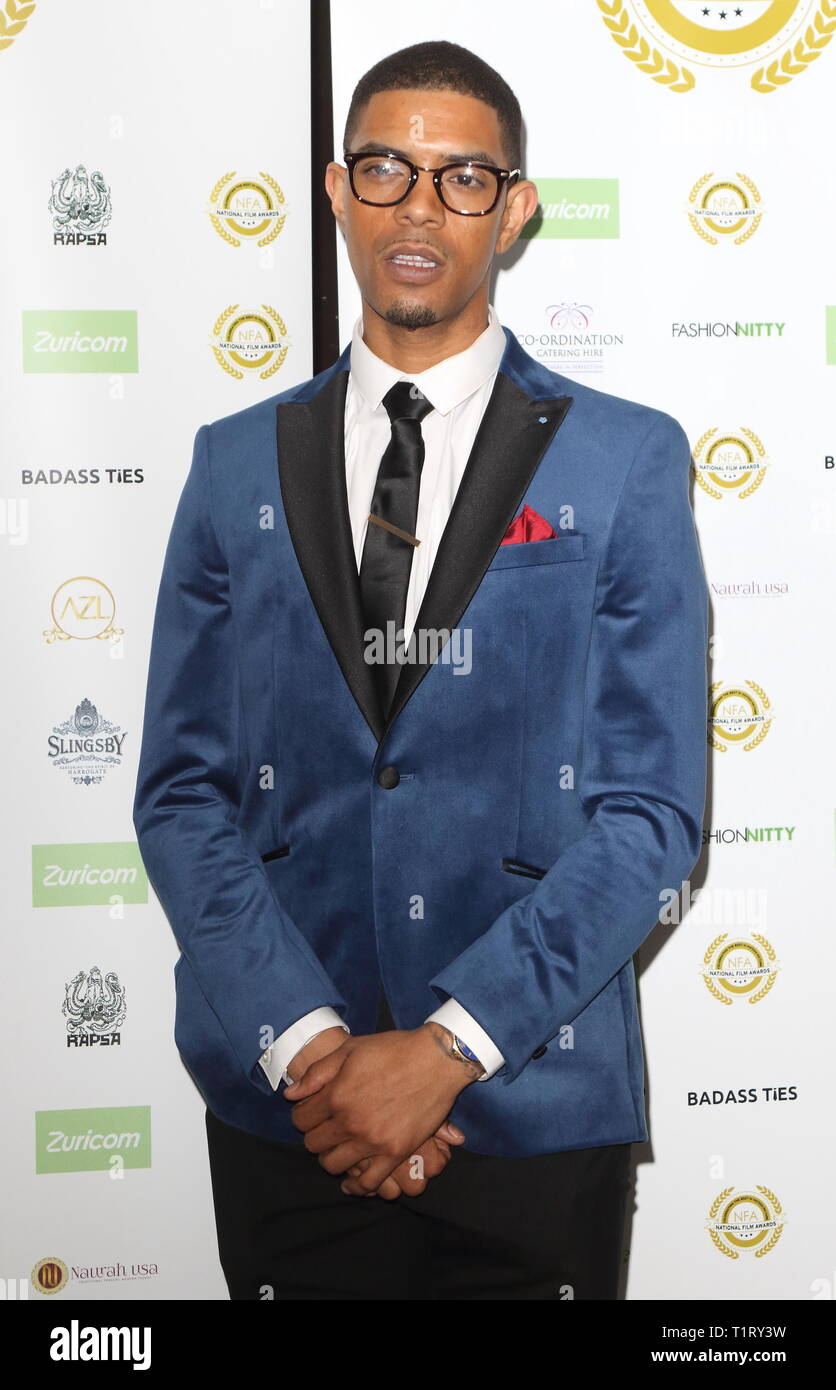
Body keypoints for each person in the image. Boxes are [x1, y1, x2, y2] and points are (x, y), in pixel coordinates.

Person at [133, 40, 708, 1300]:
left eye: (460, 178)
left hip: (533, 1105)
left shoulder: (623, 462)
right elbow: (182, 793)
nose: (417, 208)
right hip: (298, 1114)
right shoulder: (234, 465)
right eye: (387, 169)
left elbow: (650, 813)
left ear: (514, 210)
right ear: (336, 190)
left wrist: (444, 1048)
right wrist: (316, 1049)